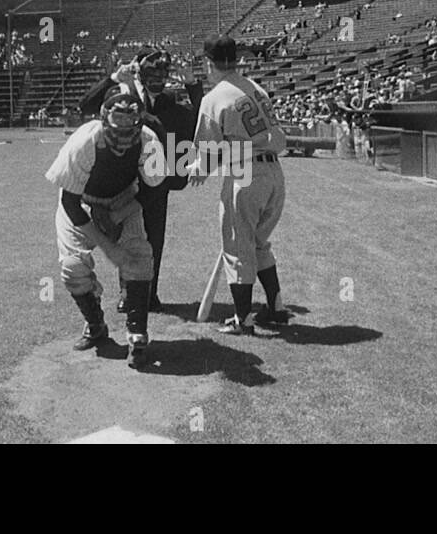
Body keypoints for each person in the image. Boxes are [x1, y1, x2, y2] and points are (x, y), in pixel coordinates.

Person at [44, 89, 166, 369]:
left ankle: (137, 333)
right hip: (82, 201)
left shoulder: (149, 141)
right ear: (104, 117)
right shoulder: (85, 141)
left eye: (130, 117)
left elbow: (154, 191)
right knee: (73, 267)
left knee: (138, 257)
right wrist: (108, 246)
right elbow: (70, 202)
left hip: (124, 197)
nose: (124, 125)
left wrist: (120, 213)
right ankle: (95, 323)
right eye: (118, 116)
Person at [79, 47, 202, 312]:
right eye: (151, 72)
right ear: (139, 71)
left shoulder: (171, 103)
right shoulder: (123, 94)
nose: (158, 79)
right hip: (125, 181)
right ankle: (128, 292)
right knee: (126, 238)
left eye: (162, 73)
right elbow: (86, 105)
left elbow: (203, 121)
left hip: (157, 185)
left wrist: (192, 84)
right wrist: (113, 79)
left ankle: (149, 294)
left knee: (154, 239)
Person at [188, 35, 288, 335]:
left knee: (236, 247)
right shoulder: (255, 88)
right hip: (274, 174)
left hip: (244, 173)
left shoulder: (214, 97)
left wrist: (199, 169)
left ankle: (242, 319)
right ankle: (276, 309)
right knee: (258, 244)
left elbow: (208, 151)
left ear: (209, 63)